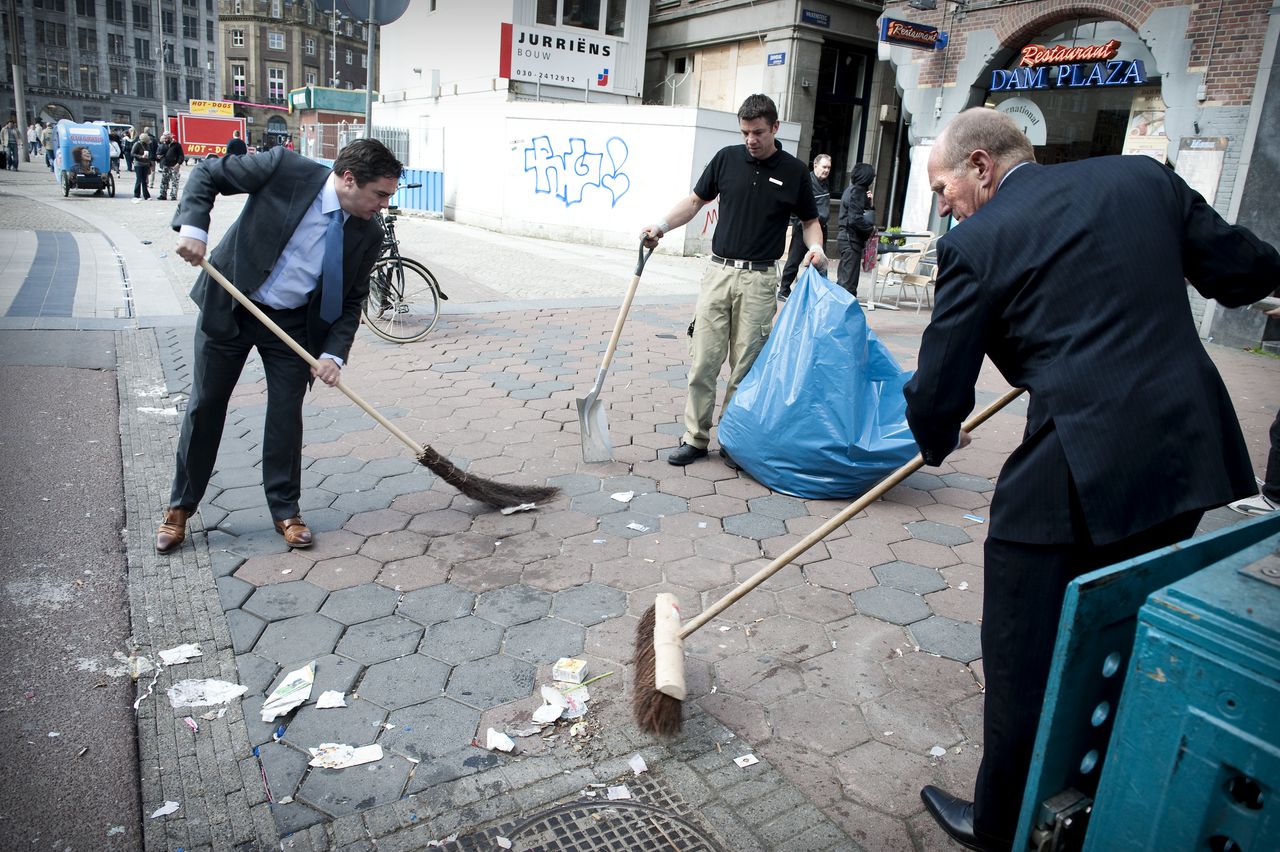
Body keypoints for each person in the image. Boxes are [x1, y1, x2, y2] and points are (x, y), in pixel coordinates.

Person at [902, 107, 1280, 851]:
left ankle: (1002, 819)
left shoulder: (976, 244)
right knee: (1118, 614)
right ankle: (1091, 788)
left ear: (981, 165)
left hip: (1077, 464)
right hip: (1187, 451)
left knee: (1022, 650)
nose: (943, 206)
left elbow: (938, 392)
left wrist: (936, 438)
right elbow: (1246, 270)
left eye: (943, 187)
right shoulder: (1143, 177)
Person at [154, 139, 401, 554]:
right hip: (232, 302)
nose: (383, 205)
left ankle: (285, 509)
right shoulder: (284, 168)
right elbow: (208, 174)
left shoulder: (368, 232)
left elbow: (352, 300)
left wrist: (333, 354)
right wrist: (194, 229)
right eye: (380, 195)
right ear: (348, 179)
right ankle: (181, 507)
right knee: (206, 405)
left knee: (286, 414)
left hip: (292, 324)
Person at [641, 94, 824, 470]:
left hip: (759, 280)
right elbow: (694, 202)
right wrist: (659, 227)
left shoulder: (794, 172)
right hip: (718, 272)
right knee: (704, 361)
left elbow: (809, 221)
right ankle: (694, 438)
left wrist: (817, 249)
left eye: (758, 132)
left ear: (774, 128)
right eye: (745, 133)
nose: (751, 140)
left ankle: (734, 438)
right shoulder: (726, 158)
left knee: (746, 367)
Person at [777, 153, 831, 301]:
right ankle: (784, 290)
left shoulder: (825, 183)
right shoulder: (806, 181)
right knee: (794, 259)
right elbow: (794, 203)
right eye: (824, 167)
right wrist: (799, 221)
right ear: (815, 165)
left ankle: (818, 291)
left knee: (820, 261)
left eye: (829, 168)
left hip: (822, 228)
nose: (826, 170)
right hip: (804, 227)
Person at [836, 164, 876, 298]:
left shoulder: (850, 190)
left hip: (846, 239)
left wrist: (869, 203)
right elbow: (855, 219)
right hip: (851, 240)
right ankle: (843, 316)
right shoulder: (858, 191)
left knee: (844, 280)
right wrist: (870, 229)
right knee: (848, 284)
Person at [157, 132, 185, 200]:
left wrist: (178, 164)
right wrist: (158, 157)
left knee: (174, 181)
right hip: (166, 165)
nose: (165, 140)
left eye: (167, 138)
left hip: (174, 165)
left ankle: (173, 195)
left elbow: (181, 156)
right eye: (164, 138)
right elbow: (158, 154)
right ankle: (163, 194)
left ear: (170, 138)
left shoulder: (176, 145)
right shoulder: (163, 145)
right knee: (164, 181)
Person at [131, 132, 153, 200]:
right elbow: (132, 153)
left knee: (144, 180)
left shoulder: (147, 145)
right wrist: (140, 156)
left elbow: (150, 153)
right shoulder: (137, 144)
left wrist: (149, 160)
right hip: (138, 164)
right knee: (139, 179)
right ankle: (136, 195)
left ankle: (146, 196)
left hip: (146, 164)